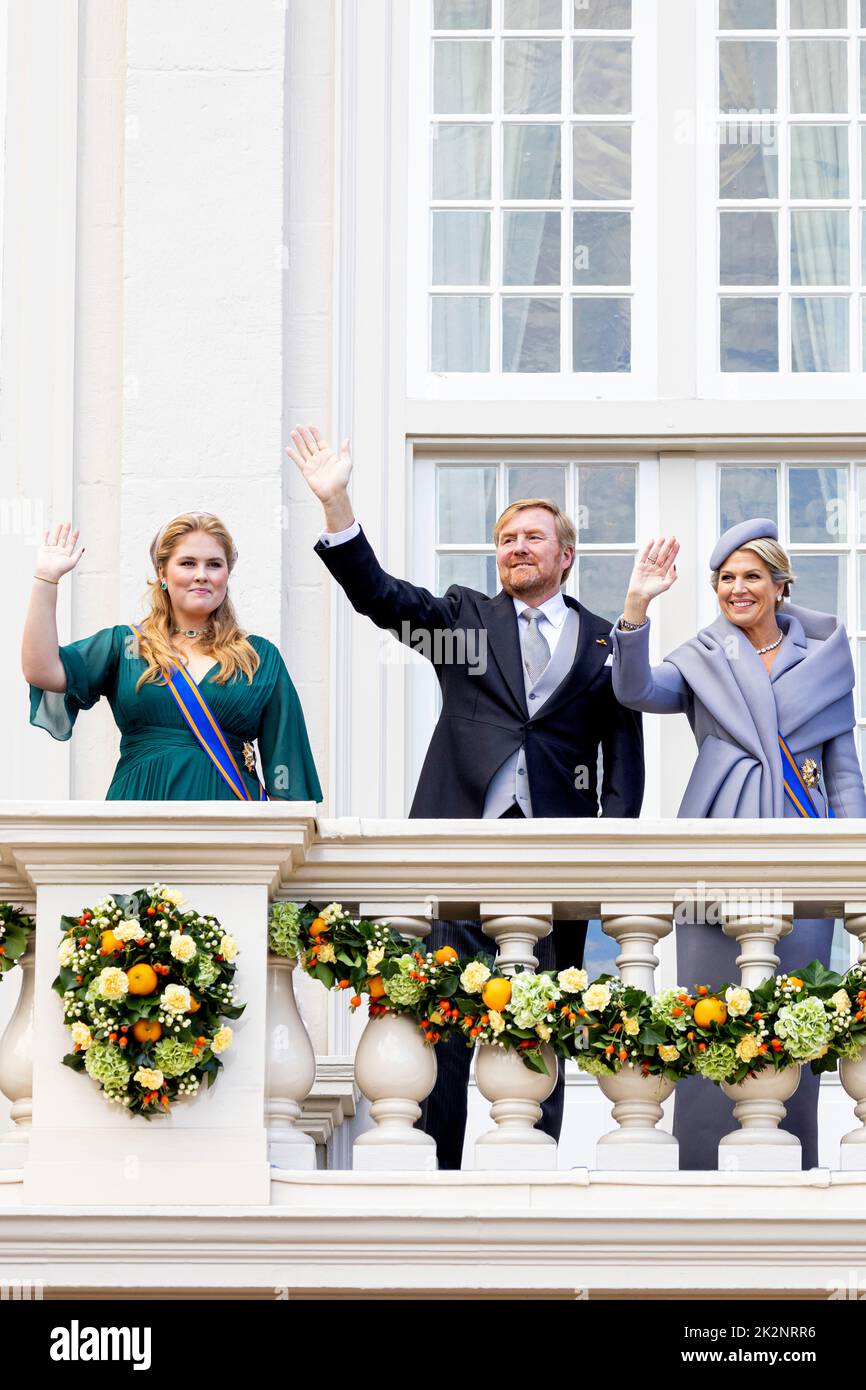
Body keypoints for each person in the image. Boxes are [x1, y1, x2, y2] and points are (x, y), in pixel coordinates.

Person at [287, 423, 645, 1168]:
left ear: (565, 555)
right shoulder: (464, 619)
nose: (517, 547)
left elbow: (624, 769)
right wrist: (336, 504)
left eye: (533, 537)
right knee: (438, 1022)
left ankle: (533, 1172)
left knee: (541, 1023)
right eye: (507, 537)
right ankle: (436, 1172)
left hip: (555, 869)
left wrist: (605, 859)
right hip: (455, 859)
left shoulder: (606, 642)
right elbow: (381, 597)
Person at [611, 517, 866, 1169]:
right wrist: (637, 604)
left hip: (798, 853)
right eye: (726, 579)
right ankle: (701, 1170)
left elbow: (843, 773)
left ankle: (789, 1165)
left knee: (792, 1015)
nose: (738, 588)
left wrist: (853, 862)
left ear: (781, 585)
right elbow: (635, 690)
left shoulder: (829, 659)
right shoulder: (701, 659)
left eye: (752, 576)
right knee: (708, 1014)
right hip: (714, 849)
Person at [22, 513, 322, 803]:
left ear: (226, 576)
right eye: (188, 563)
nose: (201, 575)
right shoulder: (126, 645)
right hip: (139, 811)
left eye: (214, 564)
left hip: (231, 825)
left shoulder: (258, 657)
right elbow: (42, 670)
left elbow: (287, 770)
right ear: (163, 573)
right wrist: (46, 580)